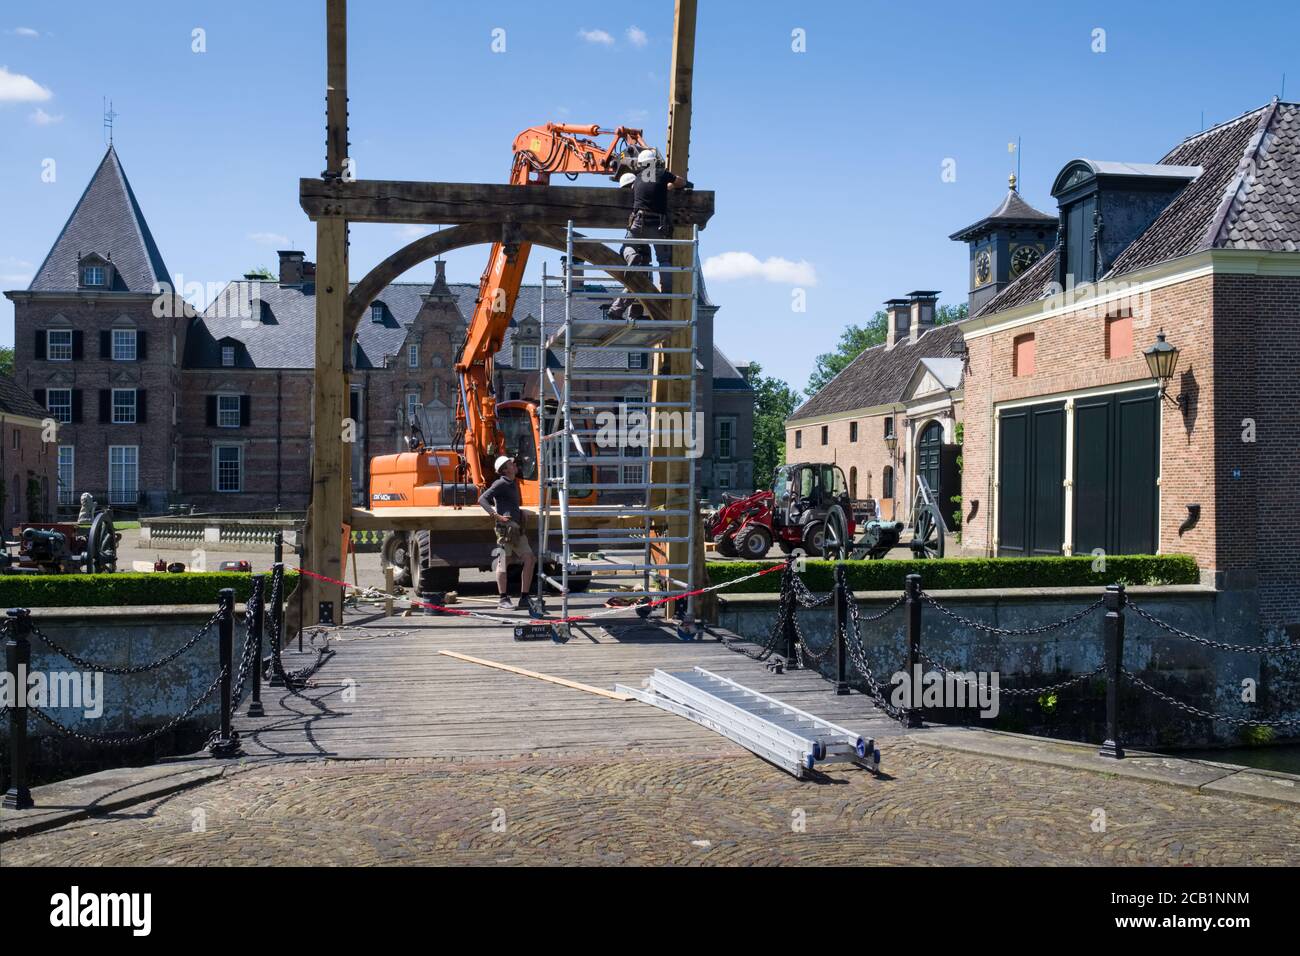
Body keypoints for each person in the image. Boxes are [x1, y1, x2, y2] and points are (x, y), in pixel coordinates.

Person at [608, 150, 693, 320]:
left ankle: (632, 256)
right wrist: (671, 183)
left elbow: (642, 188)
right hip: (658, 224)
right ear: (655, 162)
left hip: (638, 222)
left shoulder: (638, 178)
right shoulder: (662, 174)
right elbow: (682, 183)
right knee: (664, 260)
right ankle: (668, 291)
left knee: (627, 247)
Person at [479, 455, 535, 611]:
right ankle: (503, 599)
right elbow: (482, 499)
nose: (515, 465)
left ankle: (524, 597)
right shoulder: (501, 483)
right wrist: (496, 515)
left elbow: (508, 503)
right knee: (503, 561)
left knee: (529, 559)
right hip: (506, 530)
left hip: (516, 529)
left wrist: (520, 511)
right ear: (505, 469)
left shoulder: (512, 483)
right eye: (511, 464)